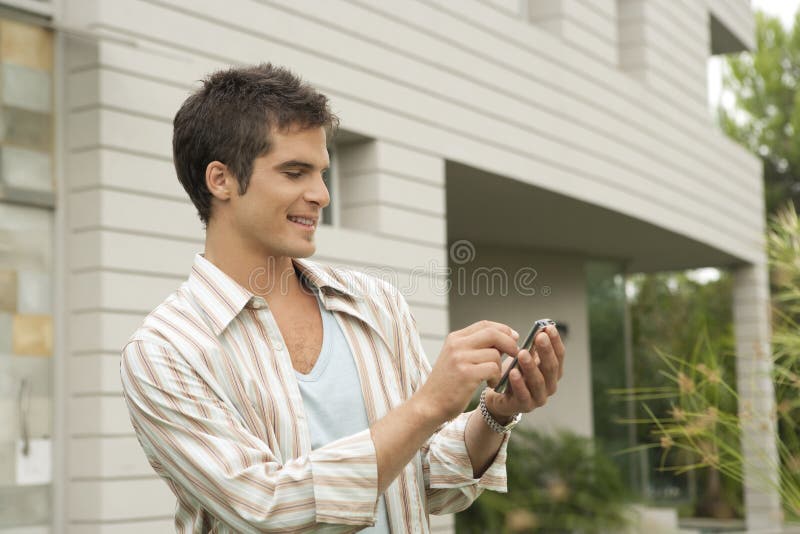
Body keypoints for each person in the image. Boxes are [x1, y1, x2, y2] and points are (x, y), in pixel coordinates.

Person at [120, 63, 566, 533]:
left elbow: (424, 480)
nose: (321, 195)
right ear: (221, 180)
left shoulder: (377, 304)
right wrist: (428, 406)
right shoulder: (163, 353)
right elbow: (268, 509)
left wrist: (496, 413)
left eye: (321, 173)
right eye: (295, 173)